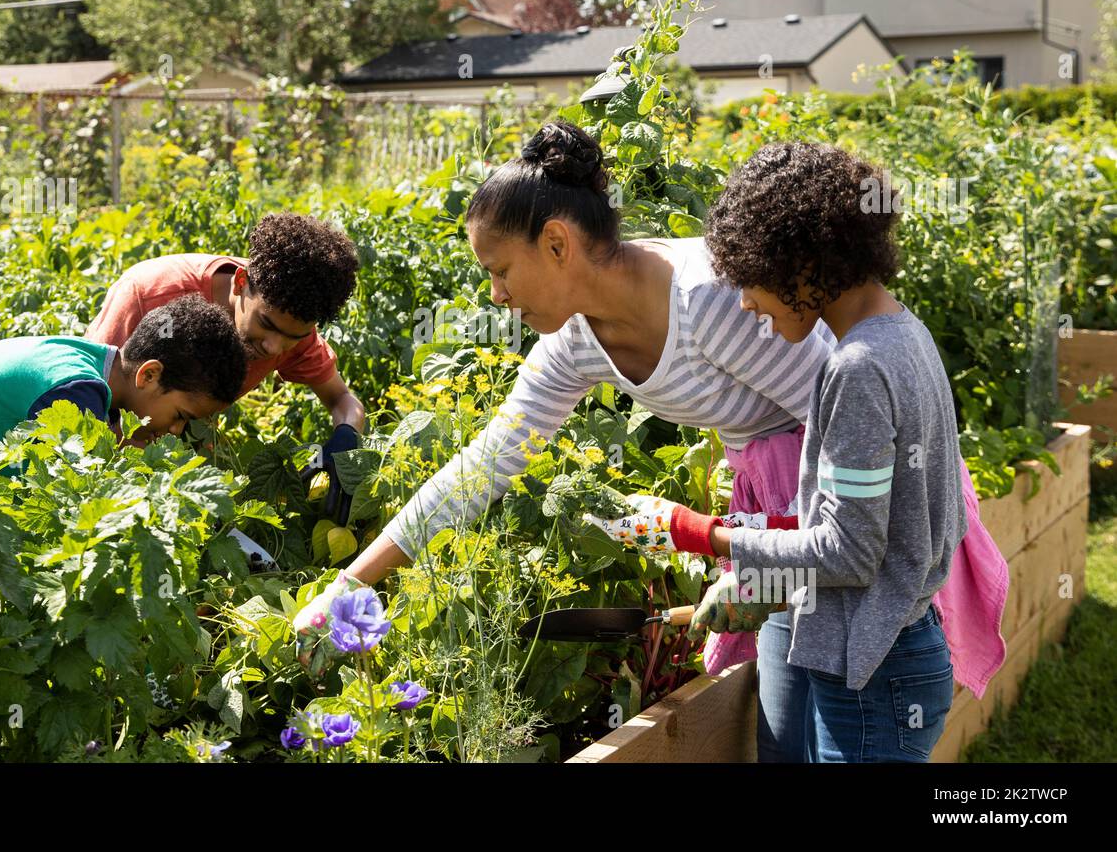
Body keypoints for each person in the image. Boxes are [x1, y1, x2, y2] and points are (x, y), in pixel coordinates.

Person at [291, 120, 836, 678]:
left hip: (832, 509)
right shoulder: (576, 343)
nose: (496, 295)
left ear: (556, 243)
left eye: (500, 271)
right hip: (767, 513)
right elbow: (482, 466)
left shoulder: (710, 300)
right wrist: (344, 587)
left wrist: (783, 564)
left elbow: (853, 426)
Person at [589, 142, 971, 762]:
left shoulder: (858, 370)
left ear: (801, 263)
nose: (745, 303)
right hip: (895, 654)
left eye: (752, 280)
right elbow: (903, 525)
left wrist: (698, 533)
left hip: (874, 674)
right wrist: (767, 577)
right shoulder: (906, 334)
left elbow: (846, 551)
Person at [85, 212, 366, 521]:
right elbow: (89, 401)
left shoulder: (293, 328)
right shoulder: (151, 295)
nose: (273, 347)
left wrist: (345, 436)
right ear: (241, 282)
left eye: (291, 338)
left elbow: (343, 400)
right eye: (265, 324)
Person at [0, 295, 247, 459]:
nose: (177, 431)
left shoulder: (94, 365)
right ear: (149, 375)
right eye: (181, 415)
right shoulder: (76, 390)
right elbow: (58, 494)